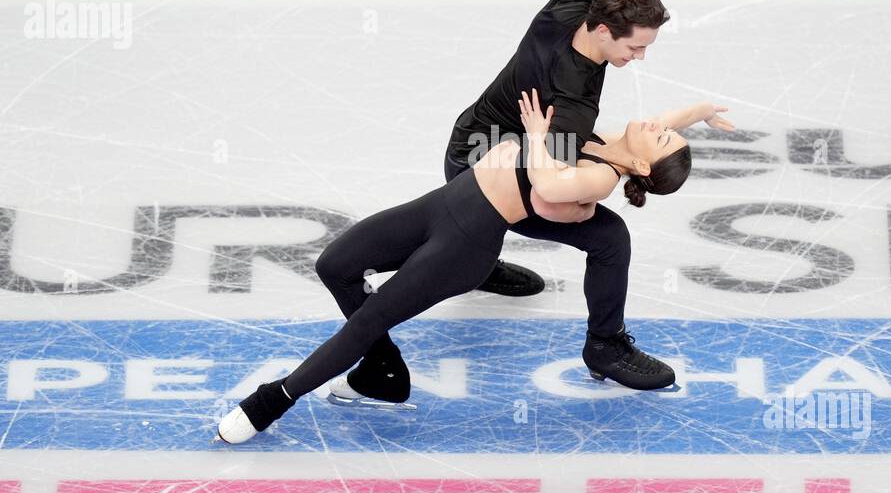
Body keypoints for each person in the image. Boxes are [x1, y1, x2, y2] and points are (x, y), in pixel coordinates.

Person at [348, 0, 736, 396]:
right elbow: (554, 191)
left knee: (532, 205)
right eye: (635, 48)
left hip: (468, 136)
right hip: (481, 164)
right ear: (606, 30)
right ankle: (600, 343)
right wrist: (592, 195)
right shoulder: (571, 106)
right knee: (608, 237)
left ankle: (476, 252)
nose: (641, 58)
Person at [214, 89, 727, 444]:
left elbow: (548, 187)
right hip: (439, 205)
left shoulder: (600, 177)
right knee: (336, 264)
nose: (656, 126)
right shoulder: (613, 142)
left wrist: (535, 133)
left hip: (465, 244)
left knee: (371, 319)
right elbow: (665, 126)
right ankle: (384, 373)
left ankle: (271, 402)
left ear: (641, 167)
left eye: (659, 137)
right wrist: (702, 110)